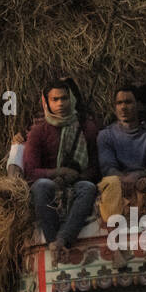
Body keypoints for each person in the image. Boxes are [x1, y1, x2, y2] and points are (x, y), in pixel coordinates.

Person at [23, 76, 100, 262]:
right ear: (46, 103)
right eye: (54, 99)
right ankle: (53, 242)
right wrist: (57, 173)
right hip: (50, 182)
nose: (60, 104)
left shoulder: (86, 128)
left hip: (76, 182)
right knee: (41, 186)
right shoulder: (39, 131)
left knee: (88, 188)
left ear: (71, 99)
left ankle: (62, 239)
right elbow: (30, 171)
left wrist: (77, 175)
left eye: (64, 98)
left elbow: (95, 166)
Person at [97, 83, 146, 225]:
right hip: (118, 179)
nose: (123, 107)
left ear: (138, 105)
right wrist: (124, 178)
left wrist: (137, 176)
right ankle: (115, 241)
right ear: (114, 107)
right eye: (119, 103)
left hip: (144, 177)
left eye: (128, 102)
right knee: (110, 182)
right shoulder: (105, 135)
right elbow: (108, 167)